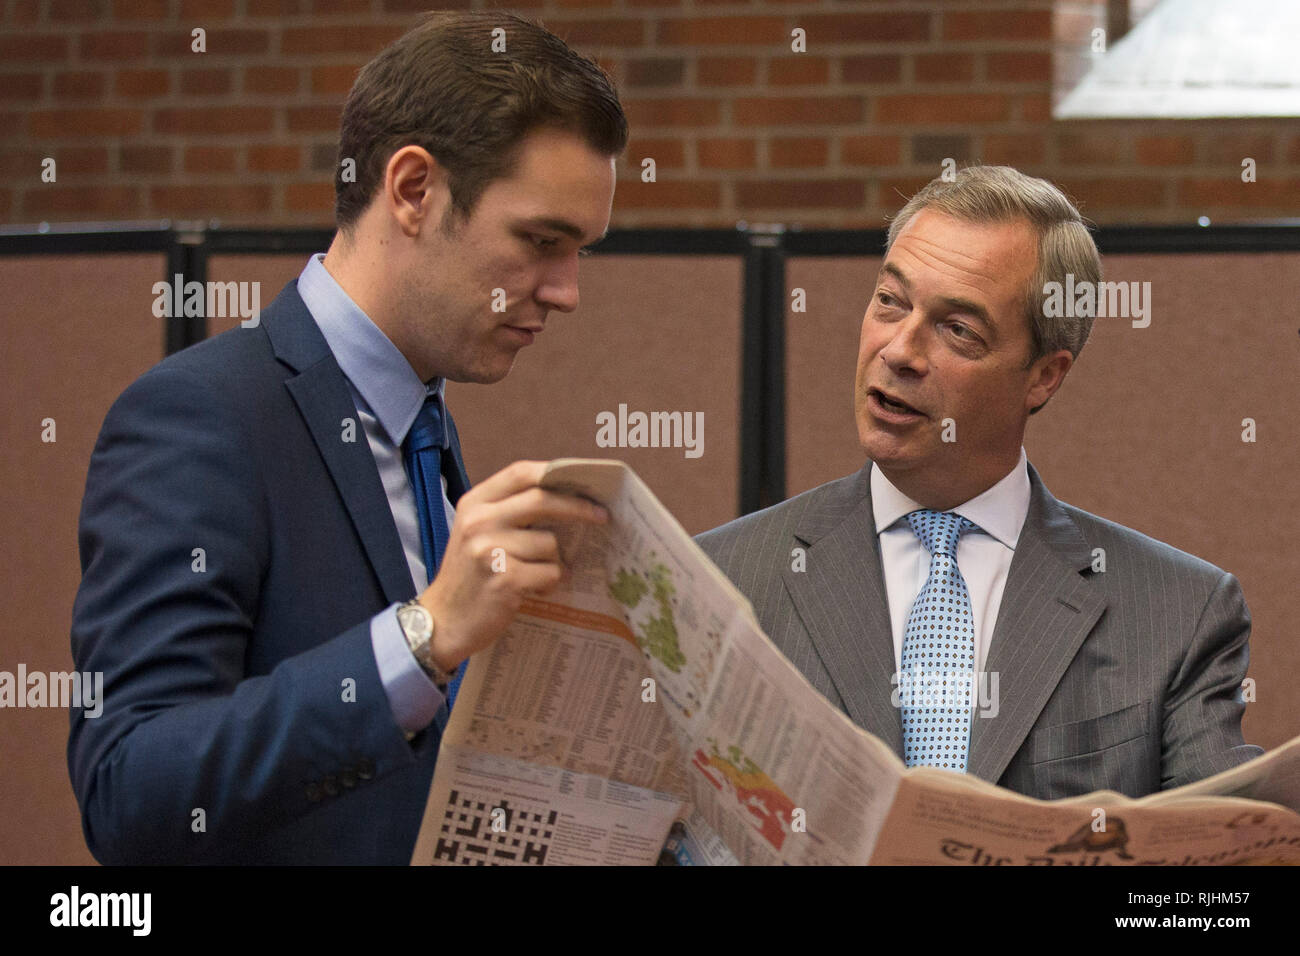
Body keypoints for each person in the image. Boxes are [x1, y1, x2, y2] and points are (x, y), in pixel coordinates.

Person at [68, 11, 625, 864]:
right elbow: (130, 790)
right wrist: (421, 638)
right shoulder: (201, 418)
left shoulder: (427, 429)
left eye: (580, 250)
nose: (566, 291)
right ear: (412, 190)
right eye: (541, 241)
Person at [697, 165, 1261, 800]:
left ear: (1043, 377)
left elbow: (1217, 888)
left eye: (957, 330)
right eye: (890, 301)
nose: (900, 351)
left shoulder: (1177, 613)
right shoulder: (719, 579)